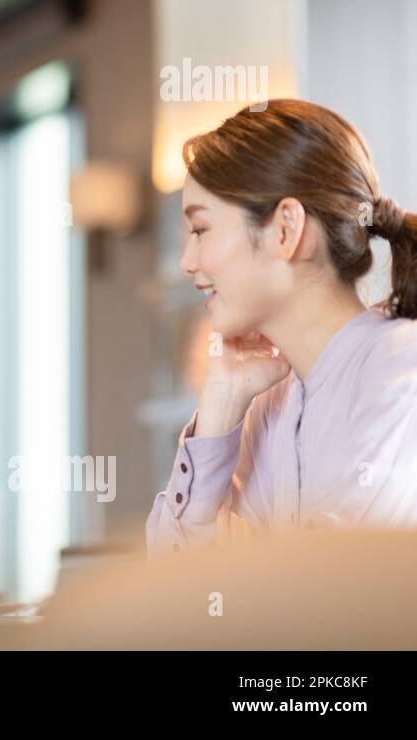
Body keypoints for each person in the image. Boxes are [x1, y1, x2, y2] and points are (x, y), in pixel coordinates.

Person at [147, 98, 417, 554]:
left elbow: (329, 590)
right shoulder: (271, 404)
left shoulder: (399, 367)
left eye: (201, 230)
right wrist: (220, 408)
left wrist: (242, 561)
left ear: (286, 229)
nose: (187, 262)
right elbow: (177, 589)